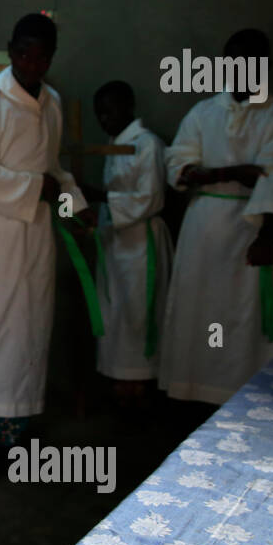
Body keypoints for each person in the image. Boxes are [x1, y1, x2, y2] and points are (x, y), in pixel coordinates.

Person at [0, 13, 94, 457]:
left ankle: (14, 432)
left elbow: (53, 170)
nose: (33, 63)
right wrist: (39, 187)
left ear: (51, 58)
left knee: (27, 330)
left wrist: (74, 207)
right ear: (12, 51)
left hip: (33, 237)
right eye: (25, 53)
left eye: (42, 56)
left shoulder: (51, 103)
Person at [159, 28, 273, 404]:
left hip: (251, 229)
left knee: (244, 318)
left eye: (250, 60)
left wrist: (268, 233)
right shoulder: (204, 112)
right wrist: (234, 172)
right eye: (232, 60)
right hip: (203, 228)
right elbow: (178, 165)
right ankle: (194, 394)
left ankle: (243, 399)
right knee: (200, 311)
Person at [78, 81, 174, 397]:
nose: (105, 118)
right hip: (115, 243)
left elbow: (151, 197)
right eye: (100, 113)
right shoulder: (114, 144)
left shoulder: (147, 144)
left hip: (142, 243)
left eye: (111, 110)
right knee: (116, 315)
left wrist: (100, 197)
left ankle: (141, 385)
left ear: (129, 106)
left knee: (140, 314)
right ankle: (121, 383)